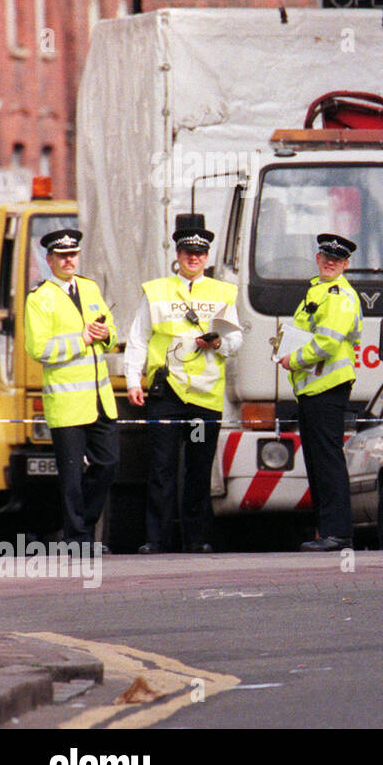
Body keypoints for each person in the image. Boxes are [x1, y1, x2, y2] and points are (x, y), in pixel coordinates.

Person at [126, 216, 242, 554]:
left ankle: (197, 538)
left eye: (200, 253)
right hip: (168, 394)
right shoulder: (157, 291)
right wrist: (134, 380)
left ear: (207, 257)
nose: (194, 258)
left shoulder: (221, 293)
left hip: (203, 397)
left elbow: (235, 342)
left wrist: (218, 343)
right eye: (188, 252)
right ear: (177, 255)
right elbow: (138, 339)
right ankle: (156, 539)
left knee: (198, 466)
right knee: (162, 467)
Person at [24, 229, 119, 548]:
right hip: (66, 403)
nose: (69, 261)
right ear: (50, 261)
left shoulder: (90, 288)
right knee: (72, 477)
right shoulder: (40, 298)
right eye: (62, 256)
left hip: (99, 400)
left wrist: (105, 333)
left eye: (73, 255)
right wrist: (82, 340)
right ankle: (78, 538)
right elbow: (39, 349)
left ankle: (84, 527)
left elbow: (112, 336)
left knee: (108, 464)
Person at [279, 234, 362, 552]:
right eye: (327, 257)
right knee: (317, 461)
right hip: (314, 387)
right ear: (317, 258)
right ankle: (327, 531)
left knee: (327, 461)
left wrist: (293, 359)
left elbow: (326, 342)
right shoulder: (318, 290)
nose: (331, 262)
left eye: (337, 260)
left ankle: (338, 534)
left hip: (327, 386)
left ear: (346, 265)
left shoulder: (339, 294)